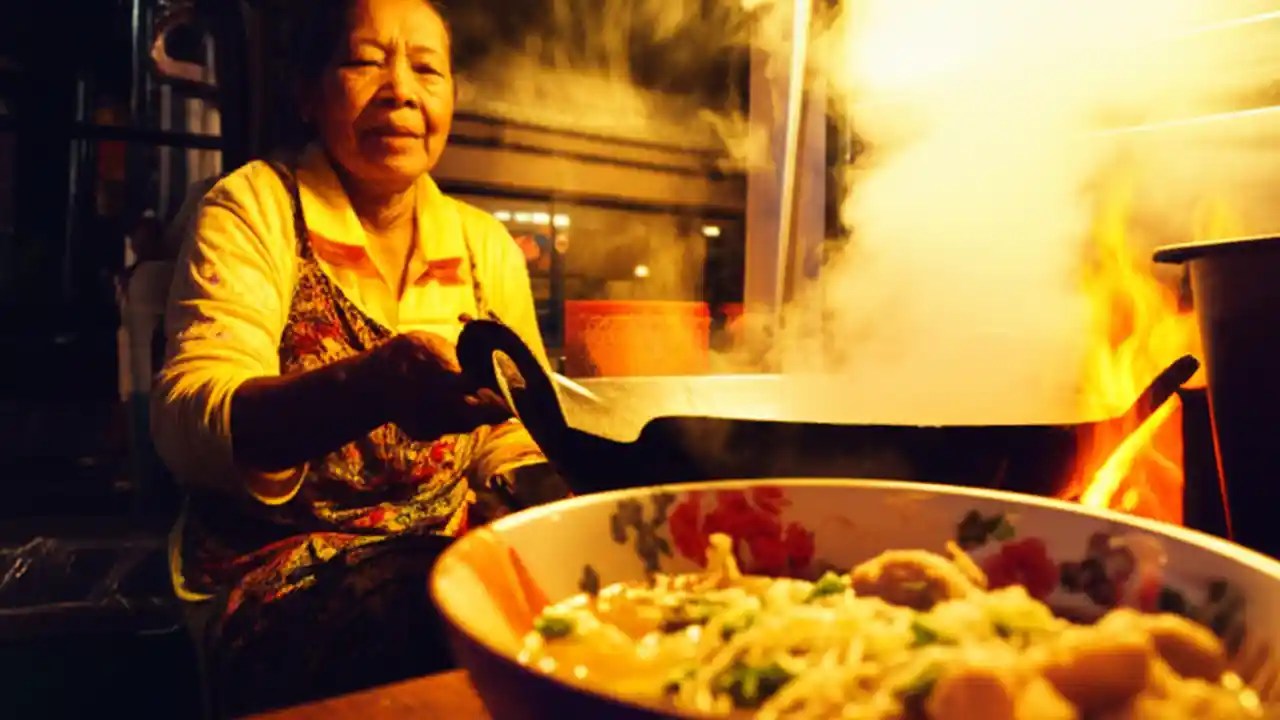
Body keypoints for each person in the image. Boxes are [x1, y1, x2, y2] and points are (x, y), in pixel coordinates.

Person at [151, 0, 570, 713]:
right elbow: (189, 422)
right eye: (364, 60)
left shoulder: (483, 245)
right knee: (439, 639)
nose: (401, 88)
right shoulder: (255, 208)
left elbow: (510, 432)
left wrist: (553, 512)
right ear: (309, 95)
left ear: (451, 100)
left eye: (427, 69)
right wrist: (370, 386)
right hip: (275, 568)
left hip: (446, 549)